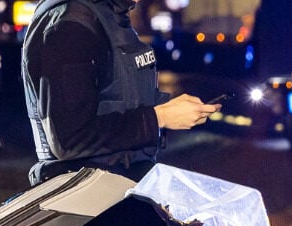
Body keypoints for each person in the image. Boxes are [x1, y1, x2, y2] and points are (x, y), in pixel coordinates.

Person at [21, 0, 219, 186]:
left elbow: (117, 102)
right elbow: (70, 139)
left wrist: (171, 111)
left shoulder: (106, 15)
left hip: (116, 188)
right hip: (86, 201)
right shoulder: (72, 25)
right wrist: (159, 118)